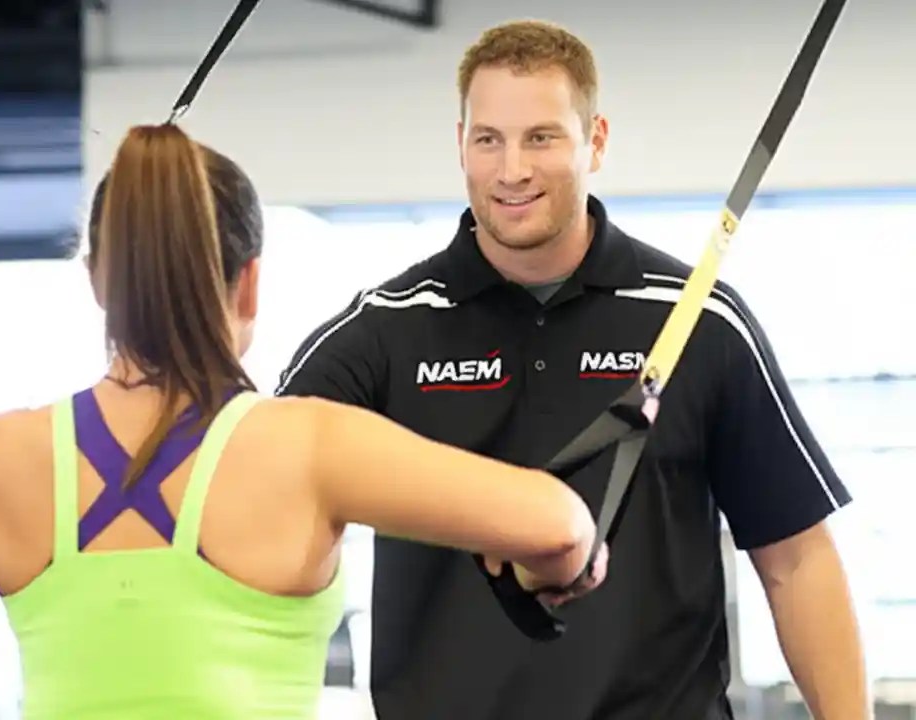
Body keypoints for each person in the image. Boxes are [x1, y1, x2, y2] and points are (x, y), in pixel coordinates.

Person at [0, 122, 609, 719]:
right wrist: (540, 572)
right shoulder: (306, 446)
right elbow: (559, 526)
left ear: (96, 280)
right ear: (250, 283)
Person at [274, 18, 869, 720]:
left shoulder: (700, 321)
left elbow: (796, 562)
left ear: (596, 141)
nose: (512, 170)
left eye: (541, 138)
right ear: (460, 143)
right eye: (488, 139)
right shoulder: (384, 331)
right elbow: (242, 483)